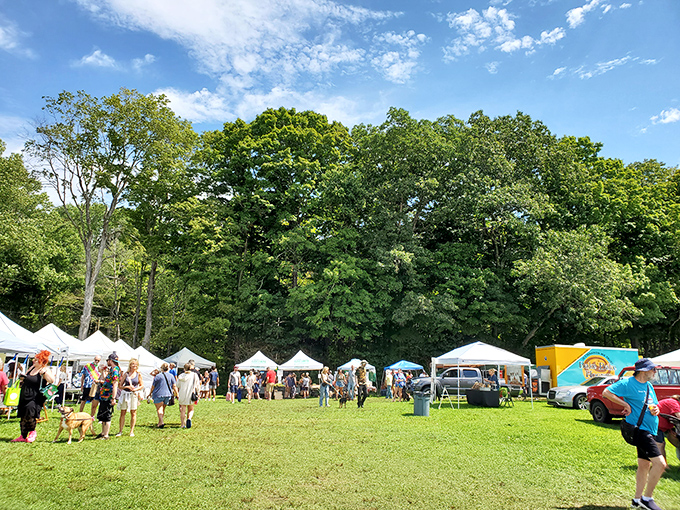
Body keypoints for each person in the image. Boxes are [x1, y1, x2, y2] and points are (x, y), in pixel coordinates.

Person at [603, 358, 666, 510]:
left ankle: (636, 501)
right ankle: (647, 498)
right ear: (644, 371)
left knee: (644, 465)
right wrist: (625, 404)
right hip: (640, 430)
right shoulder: (628, 384)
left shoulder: (649, 385)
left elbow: (654, 404)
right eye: (653, 369)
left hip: (651, 430)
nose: (655, 372)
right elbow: (606, 392)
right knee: (661, 464)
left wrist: (657, 409)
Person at [12, 350, 54, 443]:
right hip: (25, 394)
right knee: (23, 415)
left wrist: (44, 374)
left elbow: (52, 380)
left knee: (30, 414)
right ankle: (22, 436)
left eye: (36, 360)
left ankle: (32, 432)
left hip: (35, 397)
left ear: (42, 361)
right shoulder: (32, 368)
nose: (33, 361)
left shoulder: (45, 370)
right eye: (34, 359)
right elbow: (26, 377)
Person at [95, 352, 121, 440]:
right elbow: (105, 380)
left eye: (108, 360)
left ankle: (106, 435)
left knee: (107, 414)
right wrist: (102, 371)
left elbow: (115, 384)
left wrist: (113, 398)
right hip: (104, 395)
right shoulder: (111, 370)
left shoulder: (115, 370)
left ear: (111, 361)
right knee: (102, 414)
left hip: (108, 396)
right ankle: (103, 433)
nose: (107, 362)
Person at [116, 358, 143, 437]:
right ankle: (120, 430)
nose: (134, 366)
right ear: (130, 365)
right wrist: (127, 386)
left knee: (133, 412)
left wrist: (135, 389)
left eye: (135, 364)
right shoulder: (126, 374)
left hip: (133, 395)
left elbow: (141, 385)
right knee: (123, 412)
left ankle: (131, 431)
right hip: (126, 394)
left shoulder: (138, 374)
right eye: (132, 364)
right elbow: (120, 386)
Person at [149, 363, 178, 428]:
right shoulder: (171, 376)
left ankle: (161, 422)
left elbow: (153, 386)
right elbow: (174, 386)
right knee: (163, 408)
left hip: (158, 394)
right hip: (168, 394)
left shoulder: (158, 376)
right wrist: (177, 394)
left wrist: (150, 393)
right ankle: (159, 422)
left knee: (159, 408)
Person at [656, 395, 680, 460]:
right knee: (660, 444)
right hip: (655, 425)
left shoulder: (673, 402)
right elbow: (679, 416)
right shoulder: (674, 403)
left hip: (662, 426)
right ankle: (662, 466)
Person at [177, 362, 200, 428]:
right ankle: (189, 419)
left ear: (184, 369)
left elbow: (177, 385)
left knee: (182, 410)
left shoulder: (181, 376)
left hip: (182, 393)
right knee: (191, 409)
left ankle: (182, 424)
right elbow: (197, 385)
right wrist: (198, 393)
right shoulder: (194, 375)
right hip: (191, 393)